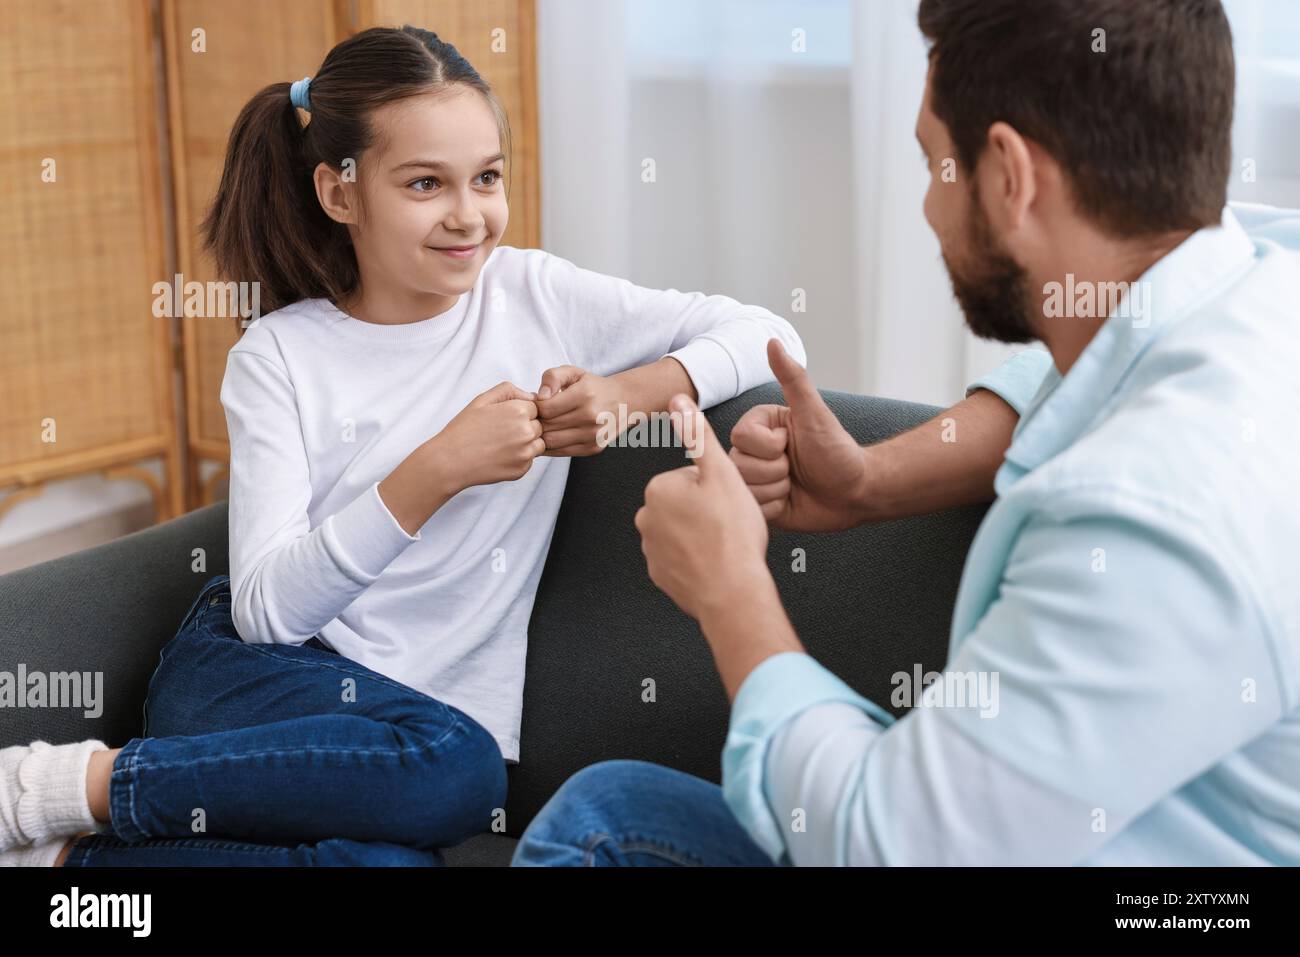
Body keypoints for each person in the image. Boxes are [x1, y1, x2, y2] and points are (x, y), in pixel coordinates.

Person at [512, 0, 1300, 866]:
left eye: (935, 164)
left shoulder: (1148, 515)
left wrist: (729, 586)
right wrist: (870, 480)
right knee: (608, 810)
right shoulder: (1256, 277)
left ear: (1010, 175)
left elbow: (890, 846)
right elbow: (1106, 350)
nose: (928, 208)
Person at [0, 24, 804, 867]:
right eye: (426, 183)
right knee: (457, 770)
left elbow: (769, 333)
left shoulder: (535, 295)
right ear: (341, 194)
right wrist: (438, 467)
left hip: (394, 745)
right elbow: (265, 612)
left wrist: (625, 392)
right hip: (252, 687)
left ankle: (66, 868)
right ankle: (65, 787)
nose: (469, 214)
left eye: (486, 178)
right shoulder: (279, 357)